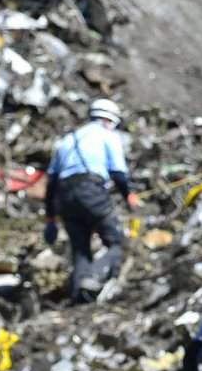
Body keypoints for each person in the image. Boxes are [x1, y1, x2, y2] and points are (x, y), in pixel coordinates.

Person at [42, 98, 138, 304]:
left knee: (81, 250)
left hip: (64, 198)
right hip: (90, 190)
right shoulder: (107, 135)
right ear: (109, 120)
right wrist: (128, 196)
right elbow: (118, 173)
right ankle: (93, 278)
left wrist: (50, 219)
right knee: (116, 240)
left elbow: (50, 184)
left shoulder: (67, 140)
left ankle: (78, 298)